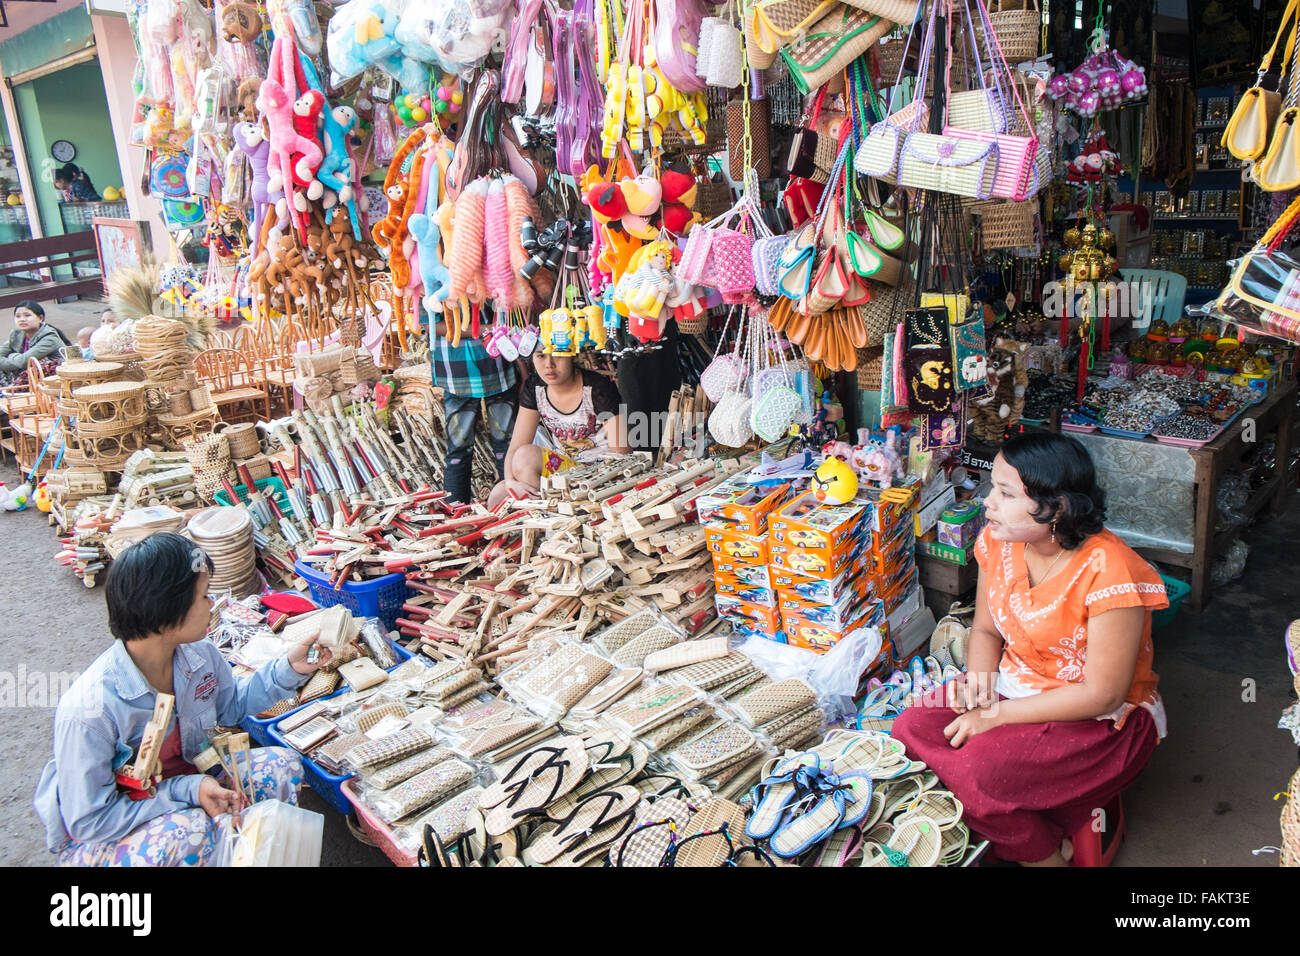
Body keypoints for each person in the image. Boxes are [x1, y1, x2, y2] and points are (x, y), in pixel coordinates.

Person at [891, 432, 1169, 866]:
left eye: (1005, 493)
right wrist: (981, 689)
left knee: (978, 774)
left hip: (1097, 721)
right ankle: (1041, 833)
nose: (988, 502)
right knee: (908, 729)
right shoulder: (999, 543)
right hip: (1015, 686)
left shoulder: (1111, 571)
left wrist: (994, 717)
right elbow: (984, 632)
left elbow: (1103, 694)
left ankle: (1040, 857)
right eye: (992, 488)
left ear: (1055, 507)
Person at [34, 533, 330, 866]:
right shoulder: (90, 710)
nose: (211, 603)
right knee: (191, 829)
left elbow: (231, 705)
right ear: (165, 608)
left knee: (281, 765)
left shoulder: (198, 655)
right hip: (110, 833)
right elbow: (90, 821)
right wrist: (185, 793)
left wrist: (290, 667)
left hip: (192, 780)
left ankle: (257, 858)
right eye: (203, 595)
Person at [488, 349, 630, 507]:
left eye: (558, 355)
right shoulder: (536, 387)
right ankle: (552, 505)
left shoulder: (596, 388)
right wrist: (509, 482)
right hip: (565, 469)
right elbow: (516, 446)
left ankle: (557, 509)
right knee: (498, 494)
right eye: (541, 356)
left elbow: (622, 455)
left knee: (524, 459)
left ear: (572, 356)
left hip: (599, 474)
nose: (549, 365)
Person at [431, 318, 519, 503]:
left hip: (495, 367)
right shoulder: (430, 290)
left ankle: (513, 507)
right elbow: (431, 325)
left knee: (507, 445)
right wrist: (485, 329)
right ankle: (456, 513)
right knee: (458, 450)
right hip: (458, 373)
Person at [0, 301, 65, 386]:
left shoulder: (50, 338)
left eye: (27, 315)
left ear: (40, 318)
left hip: (53, 381)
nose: (22, 319)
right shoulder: (18, 334)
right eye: (18, 316)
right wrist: (17, 359)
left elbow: (23, 362)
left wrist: (12, 356)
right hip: (28, 379)